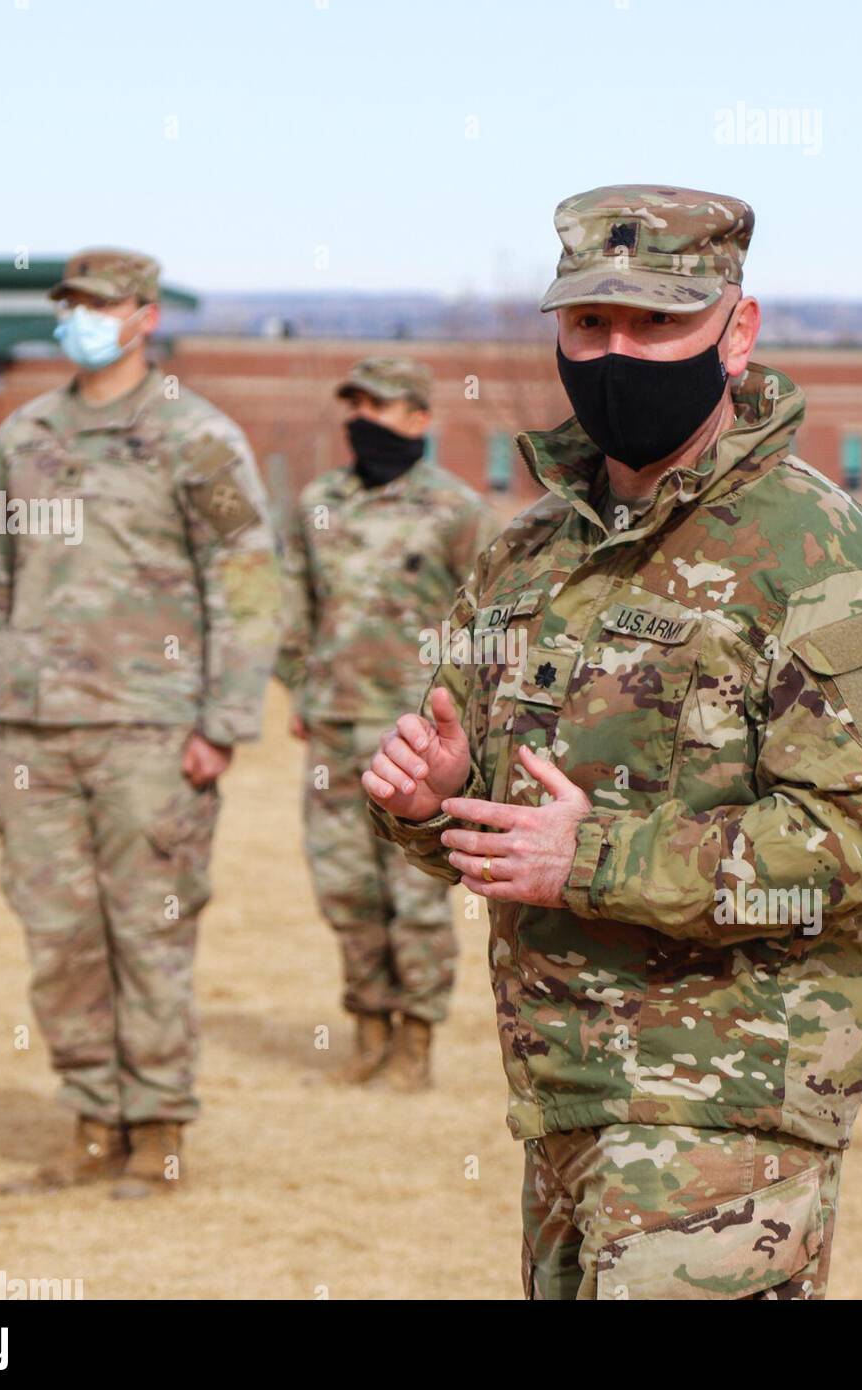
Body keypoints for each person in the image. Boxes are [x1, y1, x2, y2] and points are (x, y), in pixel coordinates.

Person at [364, 186, 862, 1297]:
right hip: (562, 1096)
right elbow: (500, 834)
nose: (617, 355)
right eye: (590, 326)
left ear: (737, 332)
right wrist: (427, 803)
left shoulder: (825, 557)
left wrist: (589, 860)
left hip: (726, 1113)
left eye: (657, 324)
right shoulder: (524, 554)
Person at [0, 247, 280, 1198]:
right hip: (37, 731)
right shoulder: (23, 435)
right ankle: (91, 1123)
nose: (83, 318)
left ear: (145, 315)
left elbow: (248, 581)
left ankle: (158, 1131)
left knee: (148, 933)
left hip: (152, 729)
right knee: (57, 934)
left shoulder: (197, 437)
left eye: (101, 304)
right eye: (71, 303)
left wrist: (223, 720)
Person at [276, 358, 497, 1089]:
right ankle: (367, 1026)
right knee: (344, 888)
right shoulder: (317, 502)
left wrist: (469, 720)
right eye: (356, 404)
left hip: (417, 742)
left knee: (415, 894)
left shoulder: (457, 510)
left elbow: (488, 624)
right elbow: (294, 606)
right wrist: (301, 690)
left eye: (382, 405)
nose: (364, 418)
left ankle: (416, 1040)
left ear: (419, 420)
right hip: (335, 729)